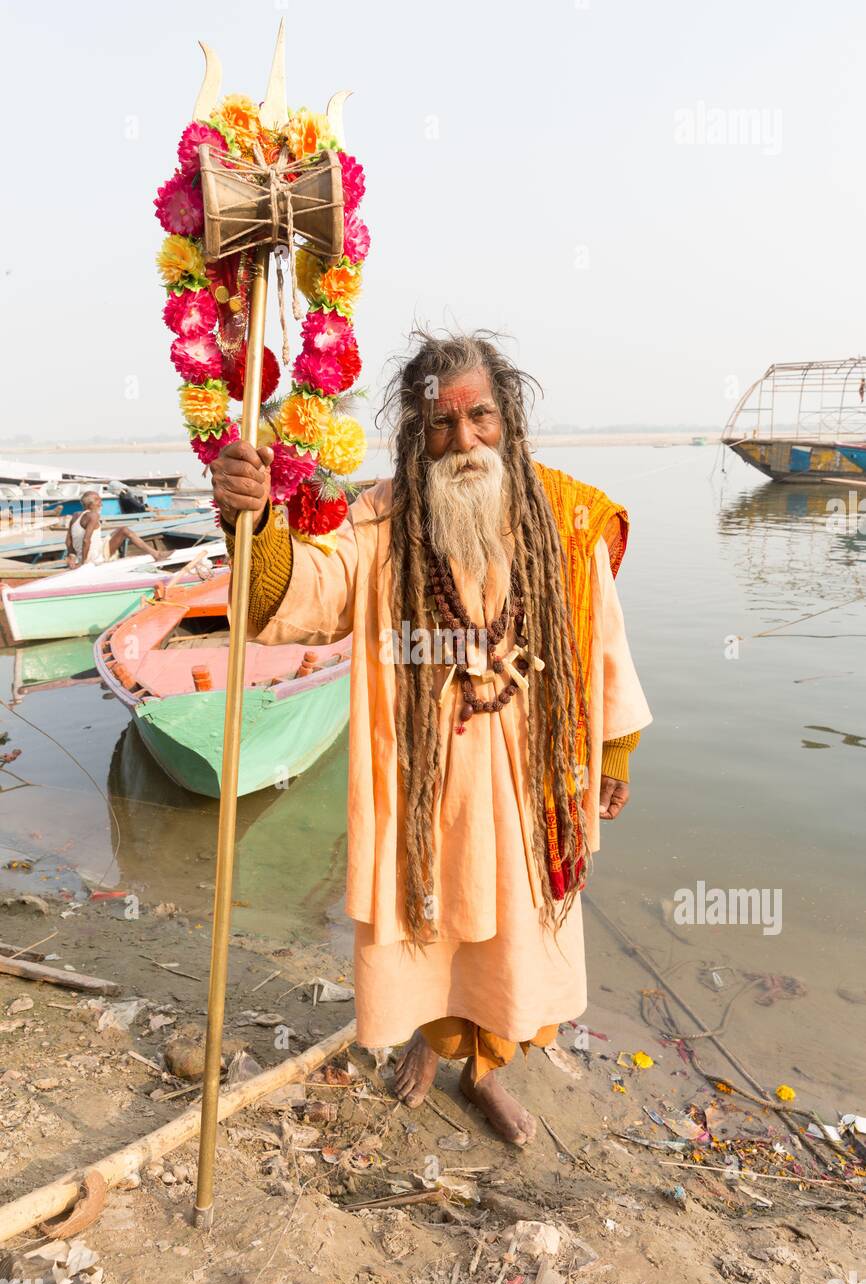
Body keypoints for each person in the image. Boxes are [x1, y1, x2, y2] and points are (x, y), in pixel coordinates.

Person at [211, 331, 652, 1145]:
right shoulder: (380, 521)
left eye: (479, 417)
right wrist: (258, 519)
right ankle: (427, 1036)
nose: (463, 442)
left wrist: (615, 752)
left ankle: (485, 1073)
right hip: (423, 788)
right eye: (440, 427)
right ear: (416, 437)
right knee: (434, 925)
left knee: (517, 937)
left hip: (530, 786)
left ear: (508, 419)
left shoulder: (565, 515)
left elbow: (604, 641)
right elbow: (300, 595)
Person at [65, 491, 161, 568]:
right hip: (95, 557)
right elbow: (86, 540)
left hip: (86, 553)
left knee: (121, 529)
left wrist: (72, 555)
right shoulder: (93, 516)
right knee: (125, 531)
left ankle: (156, 554)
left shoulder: (76, 515)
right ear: (91, 504)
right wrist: (84, 563)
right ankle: (156, 554)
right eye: (98, 500)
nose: (101, 503)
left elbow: (68, 540)